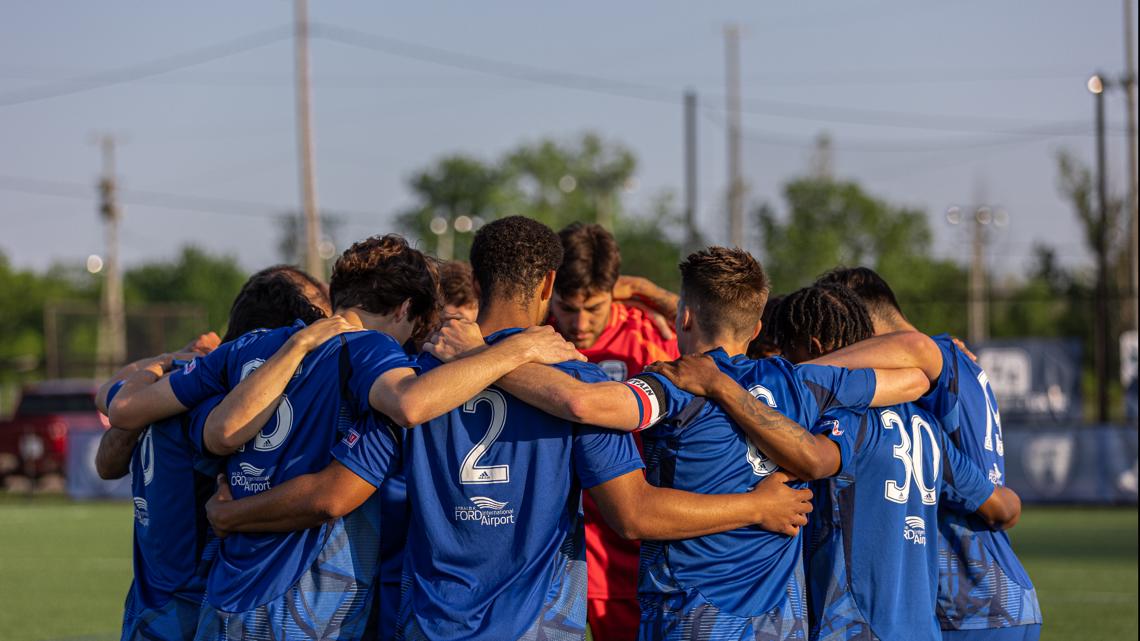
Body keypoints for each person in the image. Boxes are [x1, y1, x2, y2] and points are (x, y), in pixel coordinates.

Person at [207, 217, 814, 641]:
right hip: (537, 626)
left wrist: (232, 514)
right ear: (548, 285)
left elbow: (332, 495)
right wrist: (755, 507)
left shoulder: (420, 378)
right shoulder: (579, 384)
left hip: (429, 623)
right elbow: (633, 515)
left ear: (476, 280)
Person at [437, 246, 930, 640]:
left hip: (692, 610)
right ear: (757, 328)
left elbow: (583, 404)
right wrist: (803, 376)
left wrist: (483, 358)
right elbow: (918, 371)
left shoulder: (671, 386)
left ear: (685, 317)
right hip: (780, 617)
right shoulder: (806, 383)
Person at [108, 234, 582, 640]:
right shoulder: (370, 348)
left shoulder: (253, 345)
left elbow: (165, 424)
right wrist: (512, 351)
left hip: (227, 593)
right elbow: (406, 407)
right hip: (303, 599)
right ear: (404, 309)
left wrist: (162, 362)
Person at [655, 283, 1020, 641]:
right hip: (922, 628)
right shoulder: (926, 422)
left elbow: (811, 460)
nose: (782, 366)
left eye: (787, 354)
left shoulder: (844, 417)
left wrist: (725, 387)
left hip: (855, 625)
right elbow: (1005, 506)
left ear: (813, 349)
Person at [92, 266, 331, 641]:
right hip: (192, 599)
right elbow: (224, 436)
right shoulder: (220, 394)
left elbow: (107, 454)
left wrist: (168, 359)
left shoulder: (166, 382)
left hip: (150, 598)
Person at [816, 267, 1042, 641]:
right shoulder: (954, 361)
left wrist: (792, 374)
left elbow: (914, 346)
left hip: (969, 597)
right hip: (998, 592)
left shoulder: (936, 354)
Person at [547, 222, 681, 641]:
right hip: (549, 541)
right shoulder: (532, 336)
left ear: (614, 291)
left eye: (593, 308)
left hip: (623, 546)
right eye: (567, 308)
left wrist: (647, 291)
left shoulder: (650, 338)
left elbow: (726, 330)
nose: (580, 323)